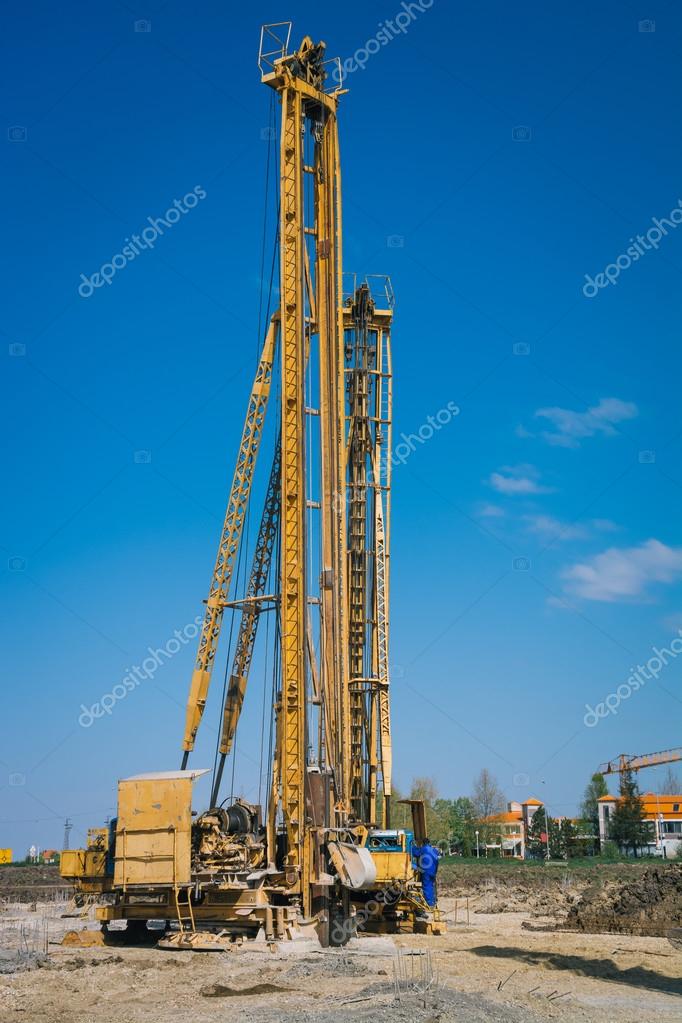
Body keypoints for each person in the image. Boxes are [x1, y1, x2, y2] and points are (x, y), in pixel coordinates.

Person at [412, 838, 440, 907]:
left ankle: (429, 904)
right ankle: (433, 902)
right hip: (433, 871)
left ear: (423, 843)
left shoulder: (424, 849)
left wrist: (412, 846)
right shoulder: (434, 850)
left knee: (427, 886)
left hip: (426, 871)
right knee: (431, 886)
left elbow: (416, 853)